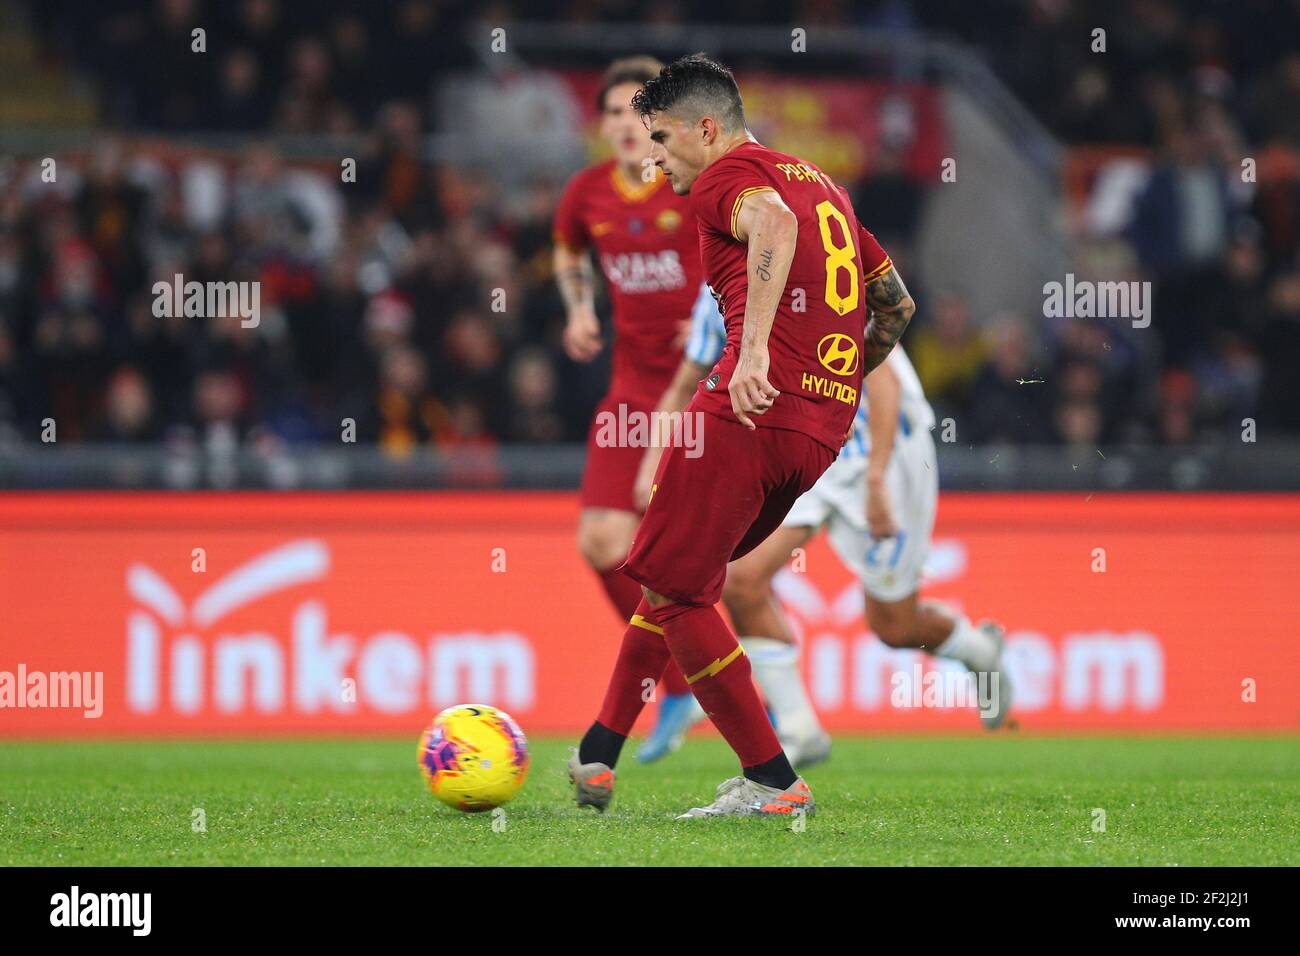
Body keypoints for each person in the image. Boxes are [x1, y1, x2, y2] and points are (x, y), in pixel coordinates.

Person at [568, 54, 914, 818]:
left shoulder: (729, 180)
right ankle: (599, 751)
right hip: (816, 434)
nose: (653, 157)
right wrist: (836, 384)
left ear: (706, 127)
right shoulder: (823, 183)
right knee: (673, 581)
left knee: (676, 589)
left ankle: (773, 780)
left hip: (741, 414)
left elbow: (773, 225)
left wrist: (755, 349)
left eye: (659, 137)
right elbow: (894, 305)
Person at [637, 286, 1013, 770]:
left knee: (894, 625)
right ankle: (800, 732)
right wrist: (658, 463)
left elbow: (884, 382)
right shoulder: (720, 293)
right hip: (814, 449)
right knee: (744, 582)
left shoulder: (815, 267)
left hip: (887, 448)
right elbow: (692, 377)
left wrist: (877, 480)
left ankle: (980, 650)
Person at [551, 56, 701, 710]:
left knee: (701, 560)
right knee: (601, 541)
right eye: (613, 112)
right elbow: (568, 250)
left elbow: (757, 248)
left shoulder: (695, 184)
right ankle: (681, 688)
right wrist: (580, 308)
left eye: (640, 110)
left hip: (705, 393)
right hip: (632, 393)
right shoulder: (587, 192)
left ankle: (749, 688)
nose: (626, 124)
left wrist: (712, 321)